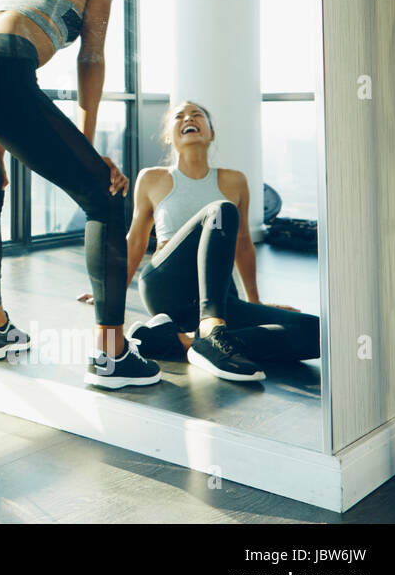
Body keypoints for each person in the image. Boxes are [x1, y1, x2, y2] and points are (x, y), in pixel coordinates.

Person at [0, 0, 160, 389]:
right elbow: (90, 56)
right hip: (3, 67)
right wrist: (90, 153)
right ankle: (112, 356)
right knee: (107, 199)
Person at [123, 100, 320, 380]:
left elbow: (242, 244)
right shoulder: (152, 179)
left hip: (219, 296)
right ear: (169, 136)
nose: (188, 118)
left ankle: (187, 343)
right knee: (221, 211)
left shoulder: (234, 181)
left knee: (317, 332)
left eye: (197, 114)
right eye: (179, 116)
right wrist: (111, 296)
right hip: (168, 287)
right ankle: (212, 330)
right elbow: (135, 240)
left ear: (211, 132)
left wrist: (256, 301)